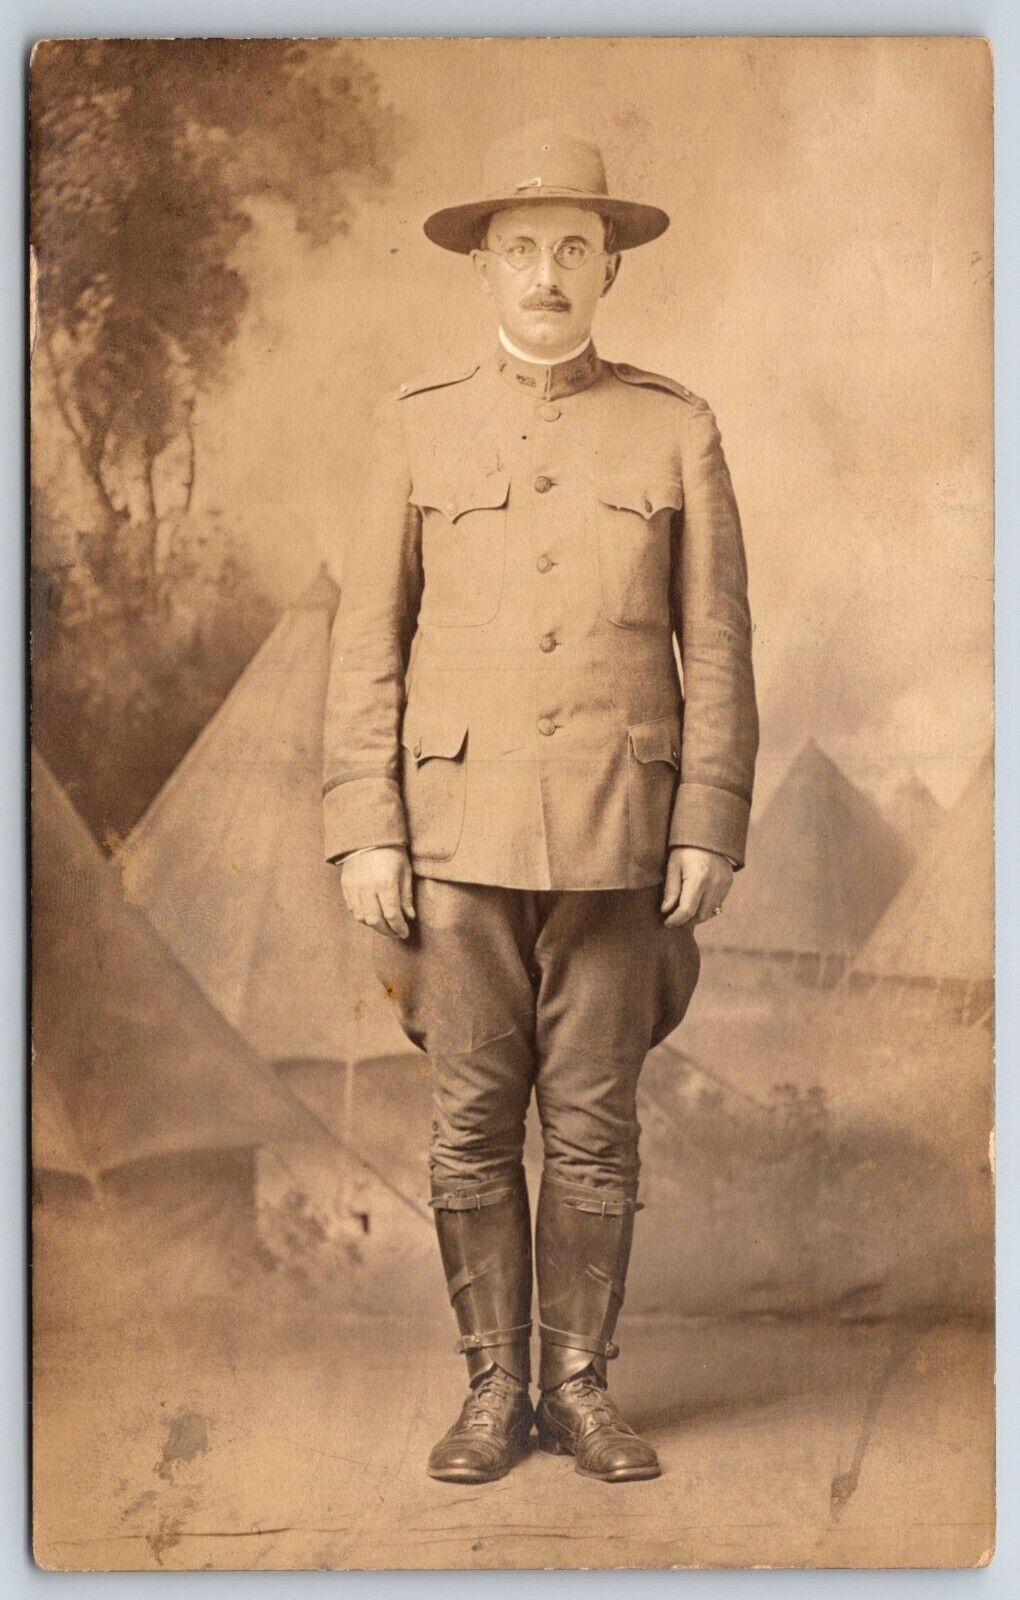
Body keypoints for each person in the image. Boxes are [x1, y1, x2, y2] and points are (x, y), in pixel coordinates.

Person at [322, 119, 758, 1484]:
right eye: (522, 249)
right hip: (453, 846)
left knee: (596, 1121)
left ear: (613, 263)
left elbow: (722, 643)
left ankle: (577, 1388)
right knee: (465, 1121)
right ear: (484, 269)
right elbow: (367, 646)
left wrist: (706, 822)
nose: (548, 273)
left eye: (577, 245)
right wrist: (364, 825)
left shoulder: (677, 428)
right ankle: (489, 1390)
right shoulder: (414, 428)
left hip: (622, 837)